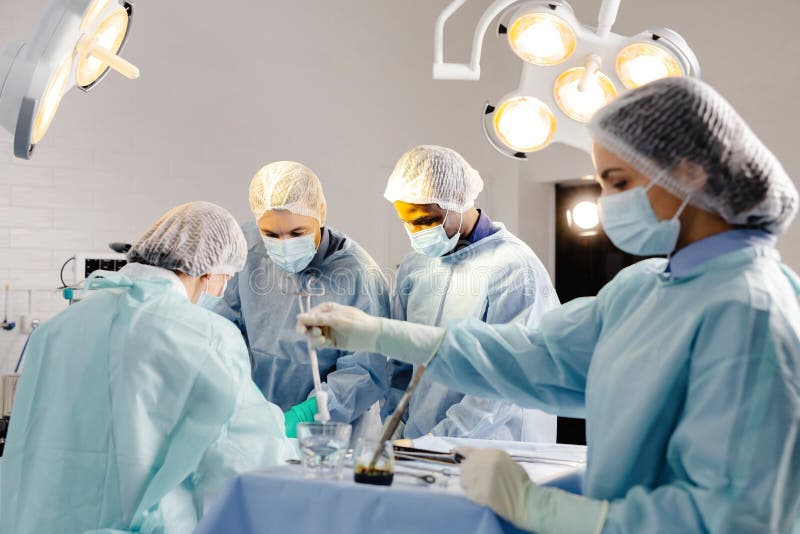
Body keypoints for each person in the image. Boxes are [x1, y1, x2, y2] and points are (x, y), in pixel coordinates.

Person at [299, 78, 800, 533]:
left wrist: (545, 510)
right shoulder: (645, 288)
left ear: (690, 173)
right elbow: (535, 356)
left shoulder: (750, 311)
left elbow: (734, 518)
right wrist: (379, 335)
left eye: (619, 182)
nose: (607, 203)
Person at [1, 202, 296, 534]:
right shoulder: (206, 336)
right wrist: (300, 451)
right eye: (225, 277)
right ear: (207, 271)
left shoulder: (54, 332)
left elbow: (26, 451)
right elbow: (243, 456)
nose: (223, 290)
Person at [381, 145, 559, 441]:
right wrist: (395, 426)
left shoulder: (514, 269)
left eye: (426, 221)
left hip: (499, 445)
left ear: (458, 201)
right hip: (421, 448)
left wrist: (439, 441)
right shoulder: (415, 265)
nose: (416, 231)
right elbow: (401, 360)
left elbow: (503, 383)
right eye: (407, 222)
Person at [213, 161, 390, 438]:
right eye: (271, 234)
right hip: (255, 425)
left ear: (320, 213)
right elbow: (222, 327)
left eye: (297, 233)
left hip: (332, 435)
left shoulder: (360, 275)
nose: (284, 243)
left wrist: (306, 415)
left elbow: (365, 371)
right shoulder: (248, 247)